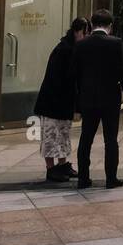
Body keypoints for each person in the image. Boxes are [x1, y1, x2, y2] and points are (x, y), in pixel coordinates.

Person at [68, 8, 123, 189]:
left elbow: (73, 73)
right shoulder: (115, 43)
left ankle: (83, 179)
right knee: (110, 139)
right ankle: (111, 179)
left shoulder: (81, 45)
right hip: (110, 98)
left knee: (85, 138)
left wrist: (78, 95)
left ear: (92, 24)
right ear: (110, 26)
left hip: (88, 98)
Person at [33, 17, 89, 182]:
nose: (86, 37)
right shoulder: (64, 50)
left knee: (63, 135)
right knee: (50, 136)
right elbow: (61, 79)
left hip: (63, 102)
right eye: (85, 33)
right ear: (78, 31)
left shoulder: (72, 48)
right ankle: (51, 169)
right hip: (52, 102)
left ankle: (63, 164)